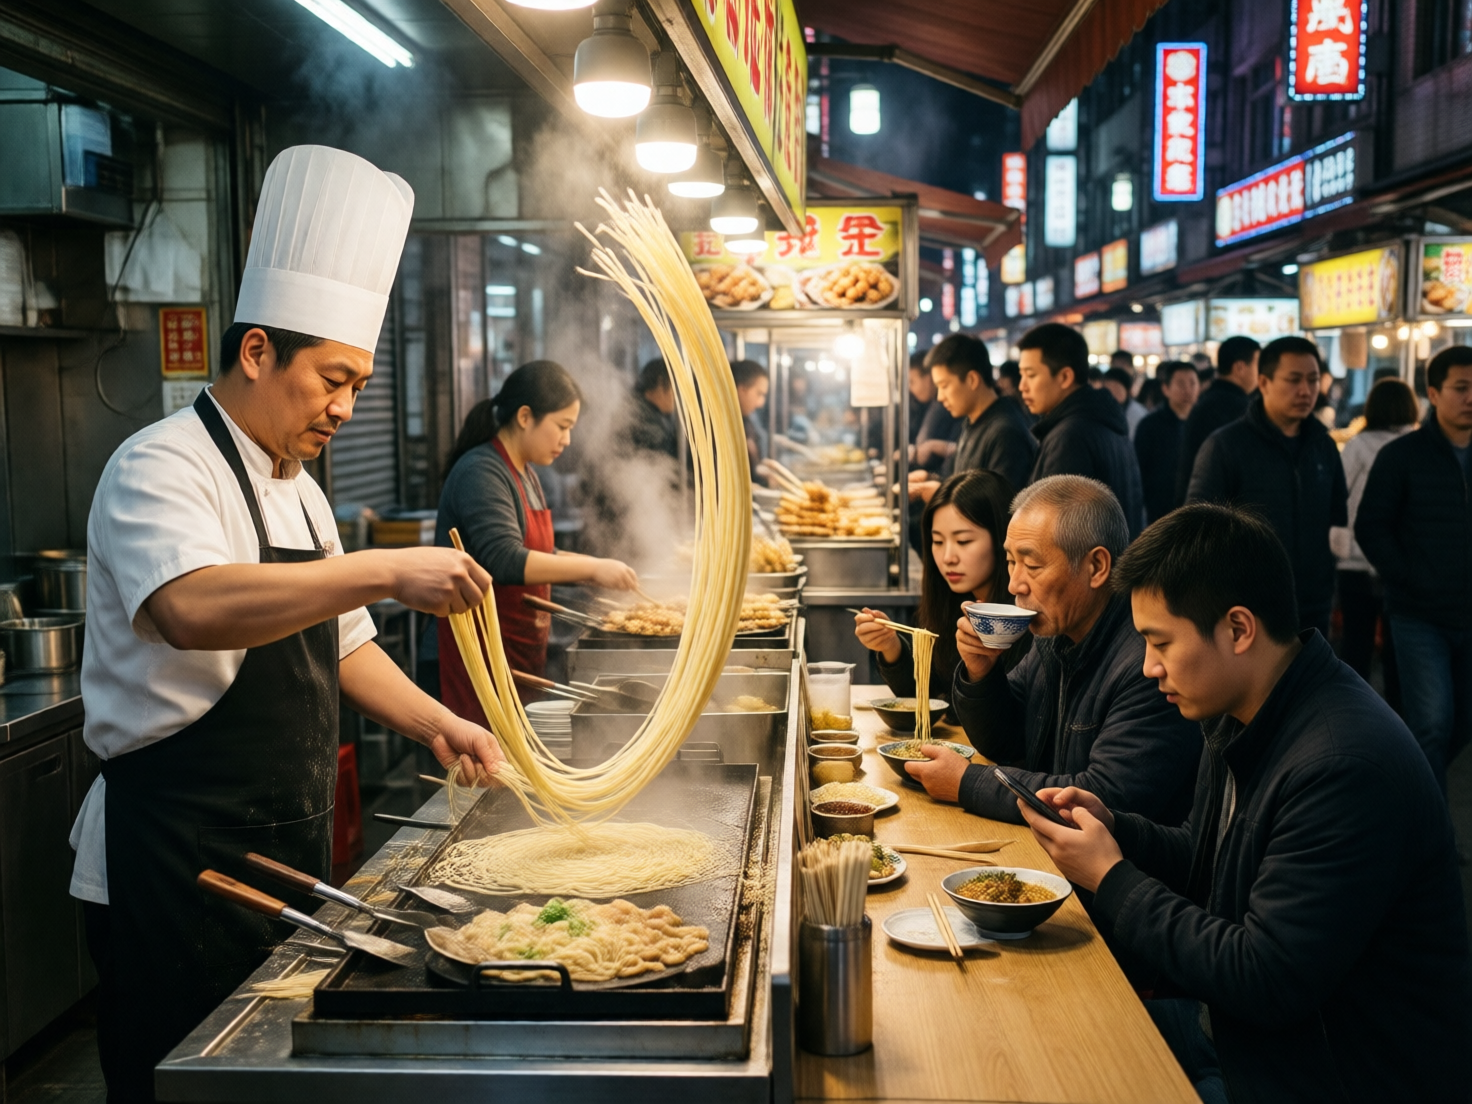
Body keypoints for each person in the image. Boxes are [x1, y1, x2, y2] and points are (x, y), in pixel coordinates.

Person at [70, 146, 507, 1103]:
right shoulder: (159, 467)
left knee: (269, 1082)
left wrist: (441, 724)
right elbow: (189, 607)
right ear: (258, 350)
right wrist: (388, 566)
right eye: (333, 380)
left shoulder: (300, 491)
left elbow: (338, 641)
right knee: (176, 1084)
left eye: (360, 385)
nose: (348, 409)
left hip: (286, 851)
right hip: (173, 866)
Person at [1019, 503, 1472, 1104]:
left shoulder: (1342, 765)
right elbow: (1209, 861)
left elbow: (1267, 977)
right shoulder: (1241, 709)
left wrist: (1111, 876)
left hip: (1323, 1073)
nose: (1149, 666)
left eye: (1160, 642)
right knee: (1038, 1035)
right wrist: (1114, 827)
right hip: (1239, 1036)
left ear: (1238, 628)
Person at [904, 476, 1200, 825]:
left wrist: (967, 782)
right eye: (1011, 562)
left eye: (1032, 566)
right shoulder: (1055, 634)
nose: (1015, 584)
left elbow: (1103, 795)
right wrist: (981, 674)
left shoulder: (1148, 662)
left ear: (1096, 567)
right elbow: (1007, 741)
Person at [436, 361, 639, 711]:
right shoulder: (481, 471)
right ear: (526, 416)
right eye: (562, 426)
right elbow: (505, 559)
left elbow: (540, 551)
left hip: (516, 652)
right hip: (478, 656)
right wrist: (591, 571)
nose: (568, 439)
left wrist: (598, 565)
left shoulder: (525, 473)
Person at [1356, 346, 1472, 792]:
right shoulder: (1402, 455)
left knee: (1463, 721)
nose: (1469, 397)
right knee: (1431, 724)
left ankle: (1410, 801)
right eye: (1460, 388)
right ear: (1433, 392)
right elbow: (1372, 526)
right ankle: (1430, 835)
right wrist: (1407, 577)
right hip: (1418, 614)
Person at [1187, 336, 1346, 634]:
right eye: (1294, 380)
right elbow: (1199, 528)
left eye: (1313, 380)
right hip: (1250, 609)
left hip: (1314, 602)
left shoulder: (1322, 445)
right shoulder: (1225, 446)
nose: (1306, 391)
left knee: (1309, 681)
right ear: (1264, 382)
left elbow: (1338, 515)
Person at [856, 470, 1024, 715]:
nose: (947, 558)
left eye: (963, 541)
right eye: (937, 541)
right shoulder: (954, 603)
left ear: (1002, 538)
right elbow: (929, 696)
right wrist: (891, 646)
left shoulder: (1022, 621)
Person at [1330, 377, 1417, 706]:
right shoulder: (1417, 444)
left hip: (1355, 558)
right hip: (1401, 559)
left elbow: (1338, 495)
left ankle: (1353, 708)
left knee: (1357, 641)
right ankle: (1396, 712)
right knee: (1397, 644)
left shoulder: (1358, 445)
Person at [1017, 323, 1145, 535]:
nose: (1022, 386)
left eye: (1030, 375)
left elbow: (1055, 532)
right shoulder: (1106, 419)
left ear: (1065, 377)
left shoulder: (1070, 436)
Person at [909, 334, 1036, 505]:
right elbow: (957, 480)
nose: (939, 397)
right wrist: (929, 478)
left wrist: (941, 495)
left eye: (945, 386)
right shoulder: (972, 421)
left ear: (972, 380)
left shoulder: (1005, 432)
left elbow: (999, 510)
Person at [1174, 336, 1259, 506]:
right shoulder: (1239, 409)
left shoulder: (1207, 401)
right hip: (1220, 514)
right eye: (1258, 365)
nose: (1261, 373)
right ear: (1240, 367)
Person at [1133, 360, 1200, 524]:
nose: (1188, 390)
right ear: (1166, 388)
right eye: (1181, 384)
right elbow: (1138, 470)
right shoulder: (1150, 425)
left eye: (1192, 383)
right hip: (1160, 510)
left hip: (1197, 508)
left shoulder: (1204, 423)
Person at [906, 350, 962, 473]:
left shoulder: (941, 407)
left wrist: (936, 447)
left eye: (945, 385)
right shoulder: (923, 405)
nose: (940, 397)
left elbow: (923, 456)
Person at [626, 357, 678, 459]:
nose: (676, 398)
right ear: (660, 382)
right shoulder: (648, 423)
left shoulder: (633, 409)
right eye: (675, 389)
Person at [732, 359, 769, 482]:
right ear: (741, 390)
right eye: (759, 394)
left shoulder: (748, 421)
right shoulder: (718, 428)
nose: (761, 403)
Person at [1102, 365, 1148, 438]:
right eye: (1107, 391)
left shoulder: (1138, 413)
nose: (1112, 395)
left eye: (1117, 390)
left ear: (1128, 391)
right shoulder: (1098, 411)